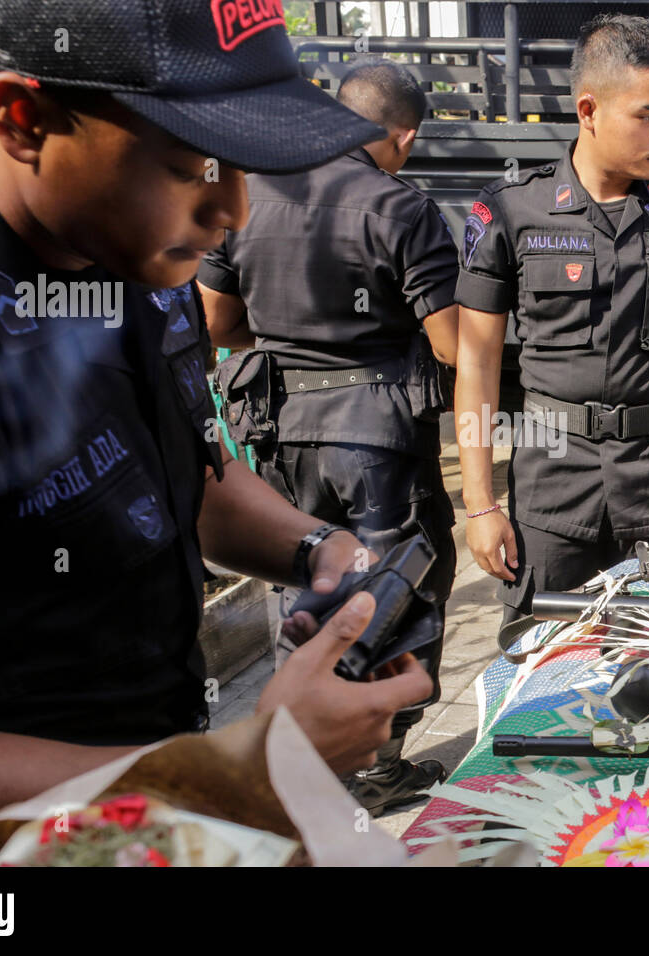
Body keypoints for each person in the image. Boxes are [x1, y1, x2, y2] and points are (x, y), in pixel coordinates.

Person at [0, 0, 432, 864]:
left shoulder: (128, 250)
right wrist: (242, 771)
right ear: (25, 118)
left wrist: (321, 553)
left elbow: (189, 479)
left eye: (241, 167)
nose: (233, 210)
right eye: (190, 165)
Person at [196, 59, 459, 816]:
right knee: (390, 591)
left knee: (300, 583)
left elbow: (215, 324)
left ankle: (305, 766)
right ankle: (373, 769)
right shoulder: (402, 208)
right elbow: (447, 342)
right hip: (375, 437)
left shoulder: (252, 193)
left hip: (278, 435)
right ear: (400, 135)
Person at [455, 13, 649, 625]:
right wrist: (481, 503)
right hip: (552, 483)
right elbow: (477, 361)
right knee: (541, 662)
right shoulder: (512, 210)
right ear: (588, 110)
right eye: (648, 116)